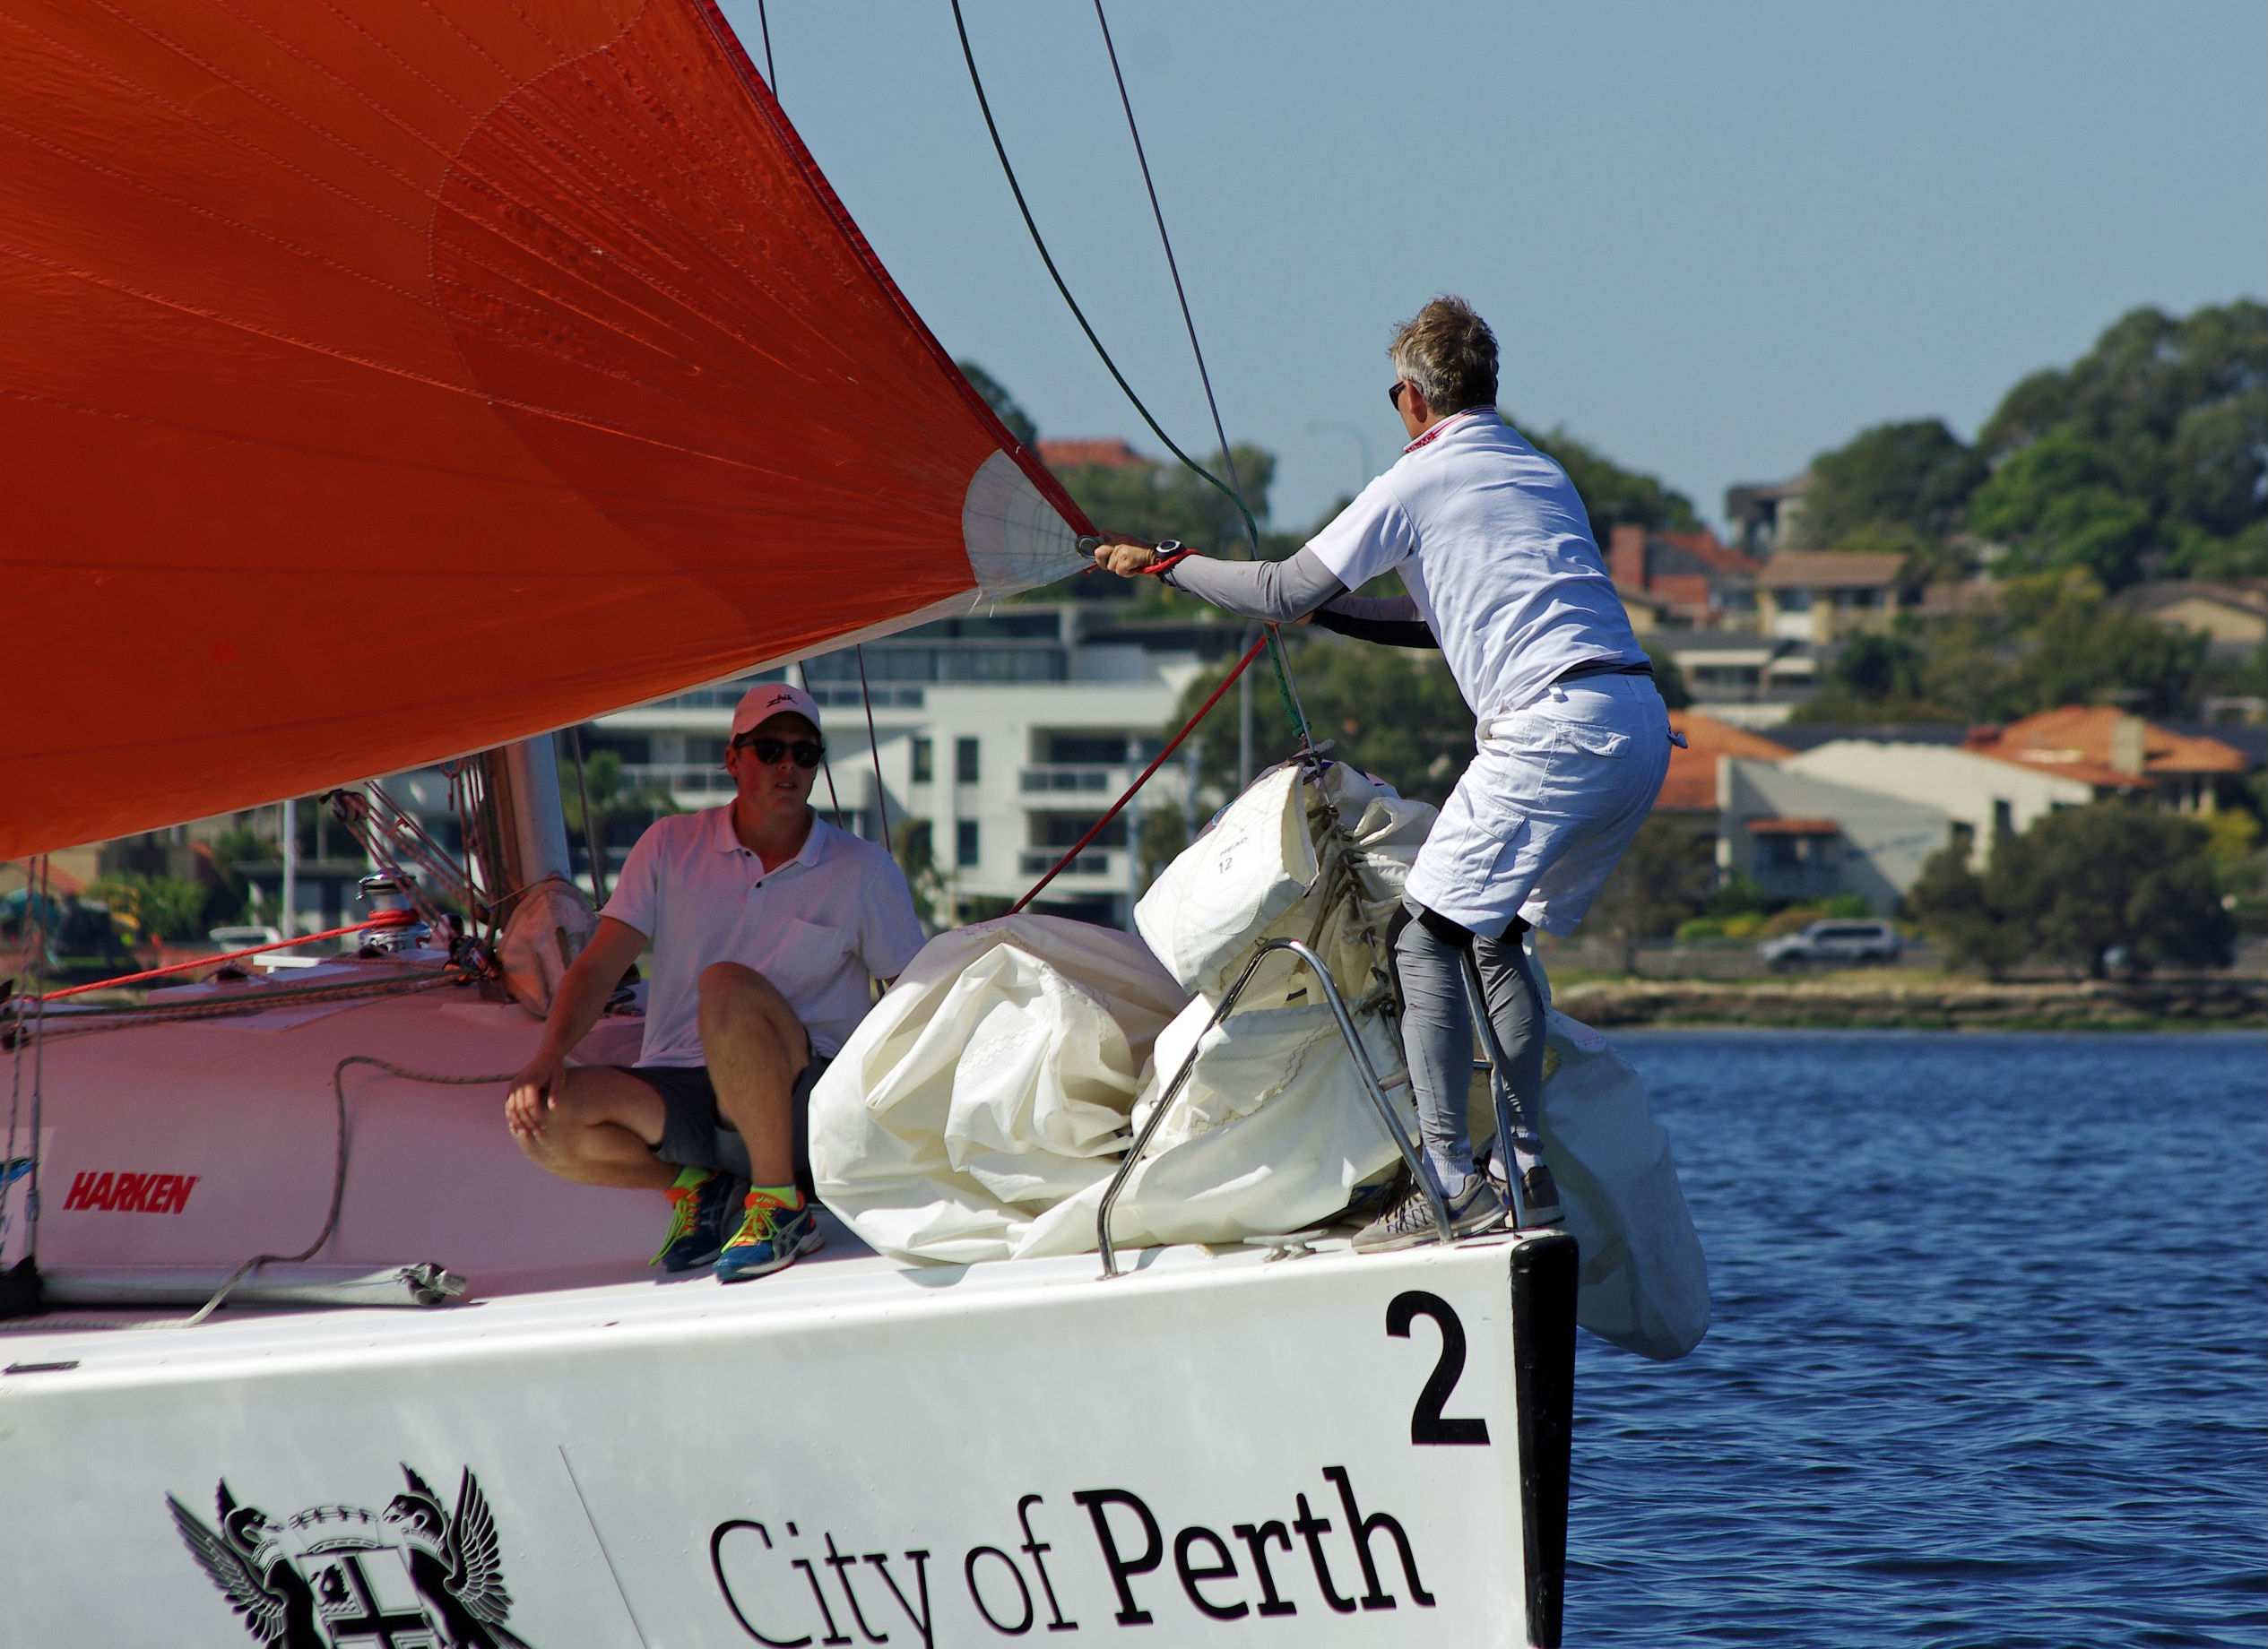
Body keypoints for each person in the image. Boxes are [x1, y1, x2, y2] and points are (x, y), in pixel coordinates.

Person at [1093, 295, 1673, 1252]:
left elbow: (1279, 589)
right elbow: (1426, 621)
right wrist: (1323, 605)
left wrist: (1169, 562)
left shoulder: (1418, 480)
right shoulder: (1541, 472)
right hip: (1636, 725)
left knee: (1421, 936)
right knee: (1493, 941)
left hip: (1549, 729)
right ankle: (1523, 1171)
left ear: (1408, 397)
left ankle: (1448, 1180)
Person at [505, 681, 925, 1282]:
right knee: (540, 1119)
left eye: (805, 754)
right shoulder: (670, 845)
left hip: (802, 1095)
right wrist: (547, 1056)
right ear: (733, 759)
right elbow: (599, 964)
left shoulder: (863, 870)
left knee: (725, 986)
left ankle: (780, 1205)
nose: (788, 765)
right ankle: (699, 1190)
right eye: (770, 749)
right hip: (685, 1085)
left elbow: (910, 996)